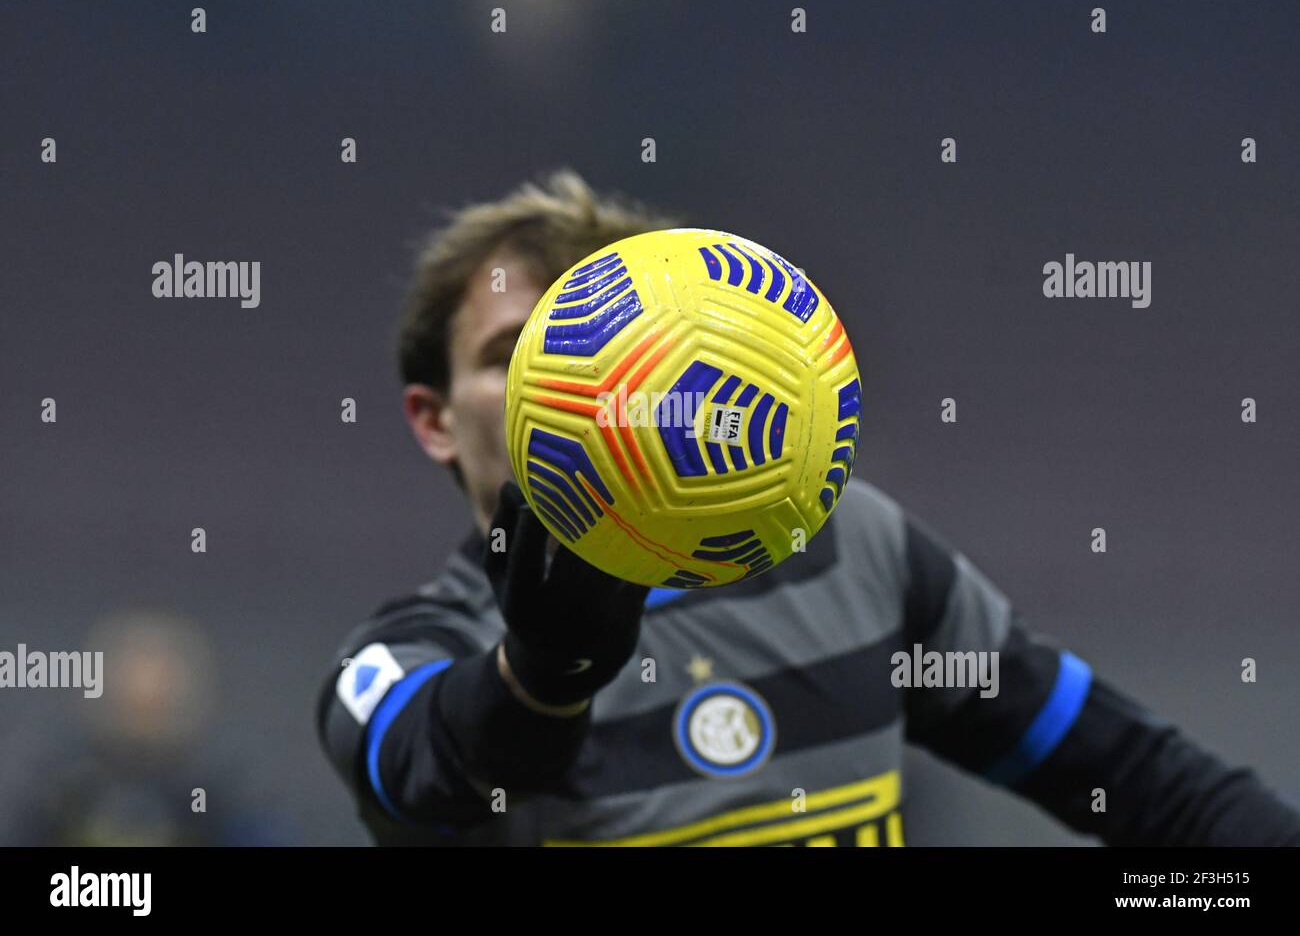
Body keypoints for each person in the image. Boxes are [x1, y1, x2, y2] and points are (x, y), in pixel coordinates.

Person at [316, 169, 1300, 846]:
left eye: (606, 353)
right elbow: (440, 768)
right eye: (513, 355)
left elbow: (1138, 782)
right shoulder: (406, 654)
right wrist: (546, 672)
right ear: (432, 418)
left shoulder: (857, 551)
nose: (575, 391)